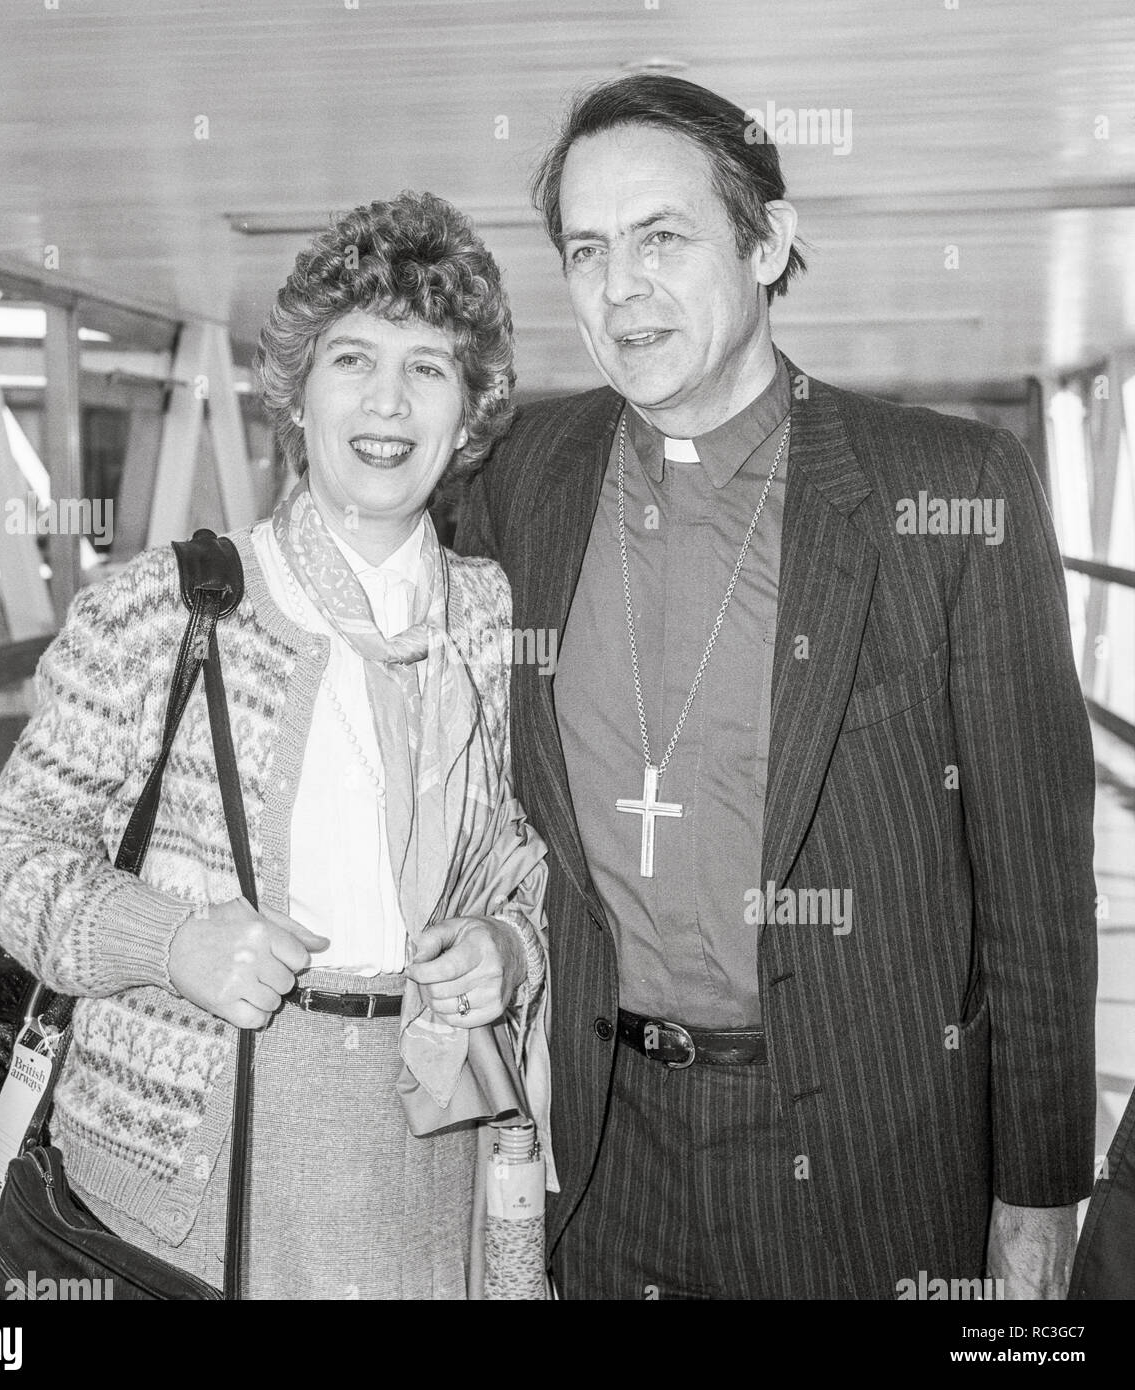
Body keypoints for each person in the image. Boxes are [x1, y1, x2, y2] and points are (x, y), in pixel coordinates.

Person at [456, 75, 1097, 1300]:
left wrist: (1035, 1198)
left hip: (868, 1151)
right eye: (585, 251)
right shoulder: (526, 473)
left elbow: (1036, 881)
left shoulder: (947, 490)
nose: (618, 288)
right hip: (601, 1148)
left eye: (660, 239)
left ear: (767, 243)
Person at [0, 190, 551, 1300]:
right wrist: (170, 937)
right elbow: (4, 853)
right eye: (352, 359)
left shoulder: (491, 621)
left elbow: (526, 860)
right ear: (298, 388)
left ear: (470, 409)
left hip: (420, 1164)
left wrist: (507, 949)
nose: (387, 401)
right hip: (171, 1187)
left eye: (428, 366)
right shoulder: (163, 609)